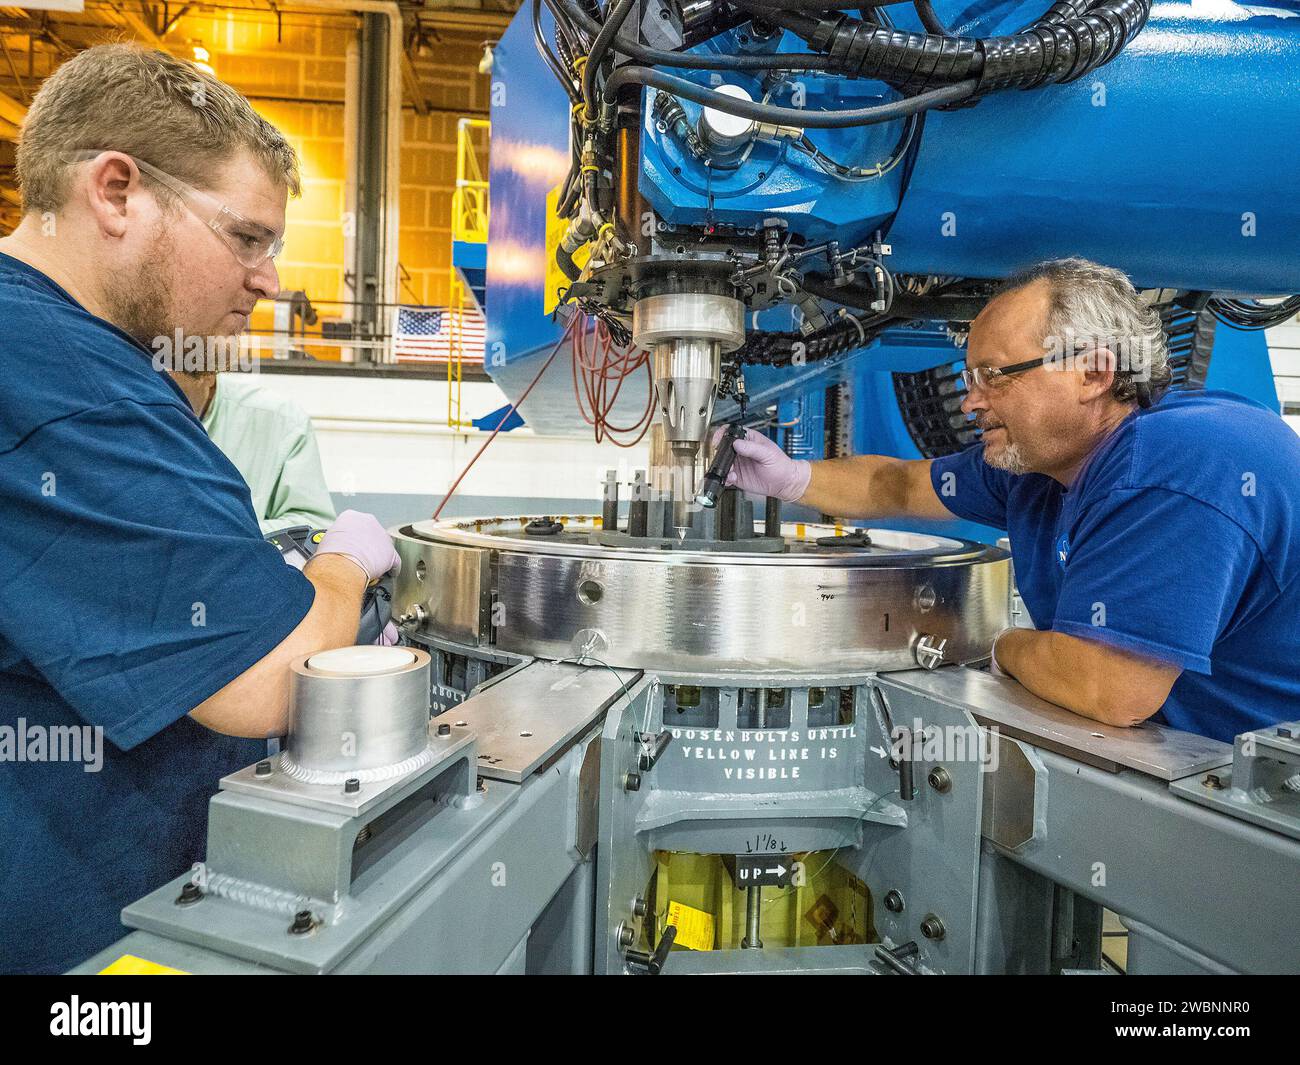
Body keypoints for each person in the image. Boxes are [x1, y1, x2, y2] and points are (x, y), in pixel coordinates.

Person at [0, 43, 398, 973]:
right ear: (116, 191)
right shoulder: (68, 382)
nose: (266, 280)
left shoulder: (73, 354)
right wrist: (342, 566)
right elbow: (275, 673)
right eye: (248, 237)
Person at [725, 257, 1300, 744]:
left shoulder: (1172, 464)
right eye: (969, 378)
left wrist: (995, 644)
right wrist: (788, 477)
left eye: (993, 376)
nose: (972, 402)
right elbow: (895, 486)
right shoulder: (1043, 463)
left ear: (1094, 373)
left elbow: (1108, 689)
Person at [171, 370, 336, 533]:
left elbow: (312, 525)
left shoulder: (282, 420)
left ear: (209, 376)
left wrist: (228, 536)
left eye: (169, 387)